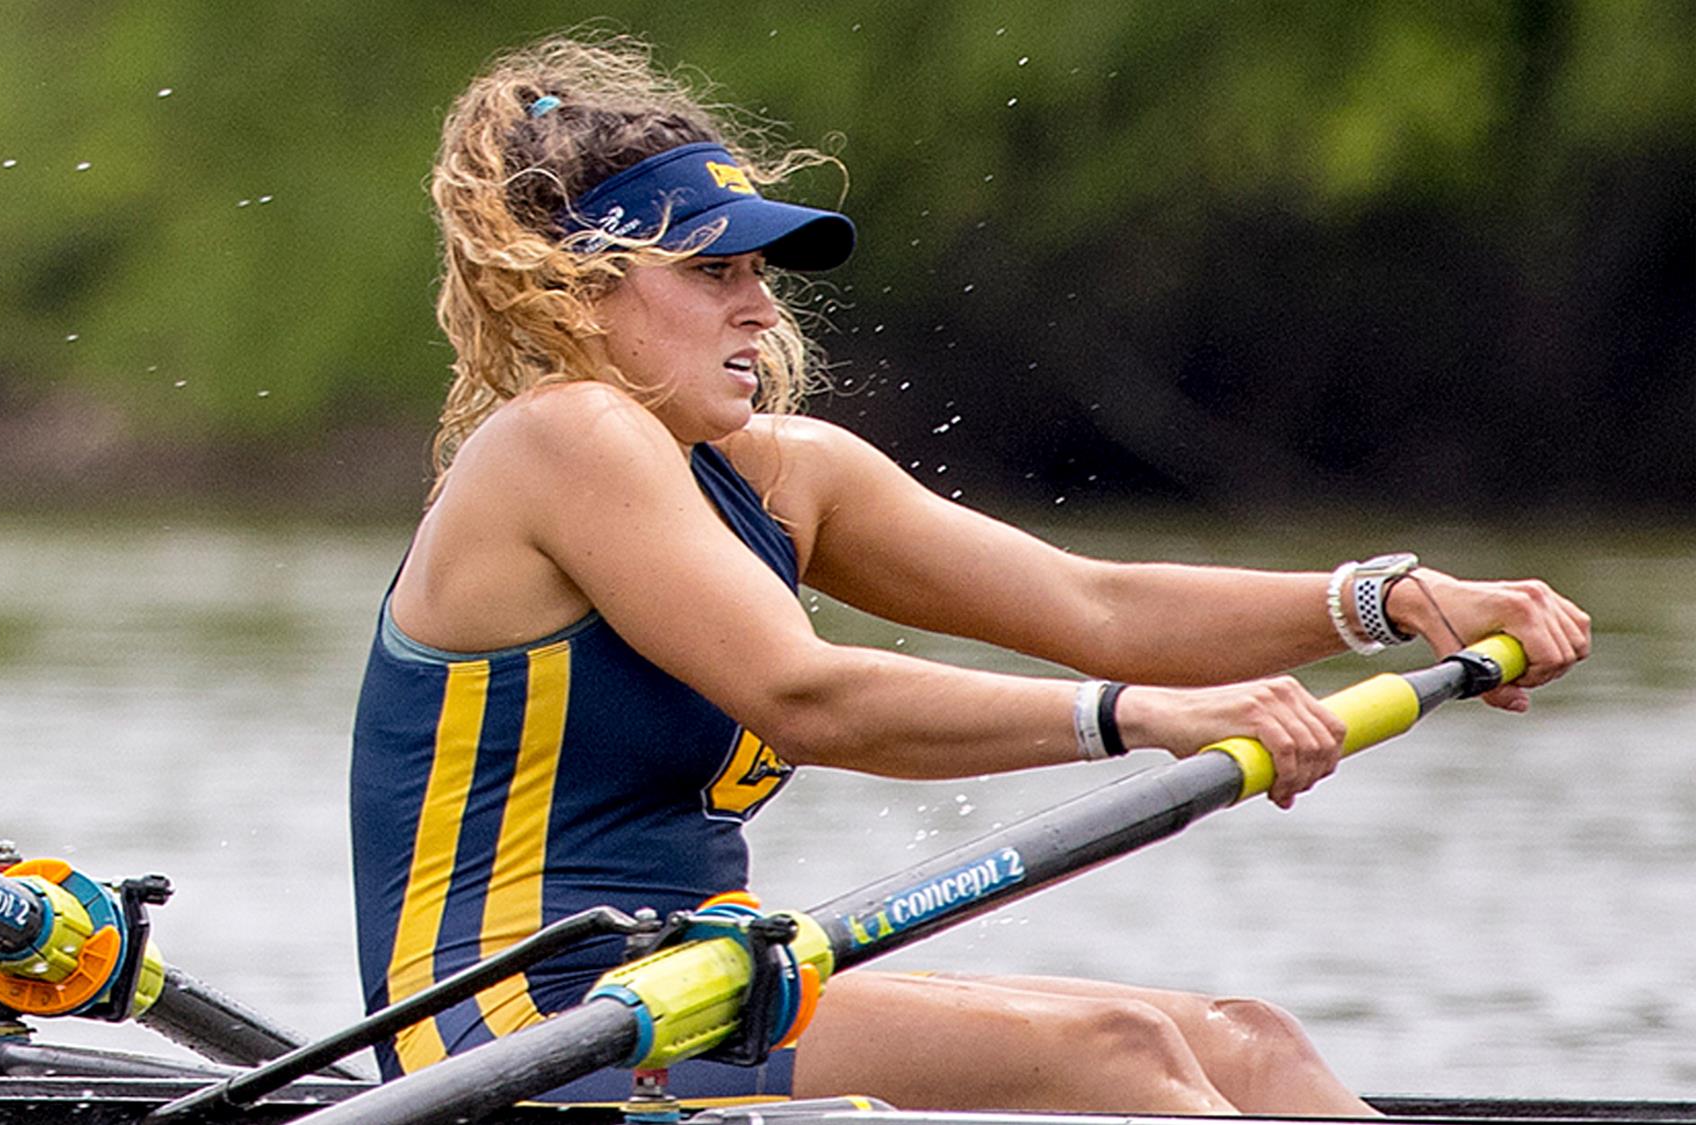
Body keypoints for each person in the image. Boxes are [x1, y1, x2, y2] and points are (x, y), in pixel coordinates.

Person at [346, 32, 1591, 1114]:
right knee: (1120, 1048)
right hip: (512, 1034)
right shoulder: (562, 436)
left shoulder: (787, 476)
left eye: (759, 275)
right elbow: (805, 697)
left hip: (702, 981)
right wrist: (1141, 719)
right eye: (712, 272)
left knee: (1243, 1042)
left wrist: (1385, 599)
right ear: (575, 287)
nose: (760, 312)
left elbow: (1095, 607)